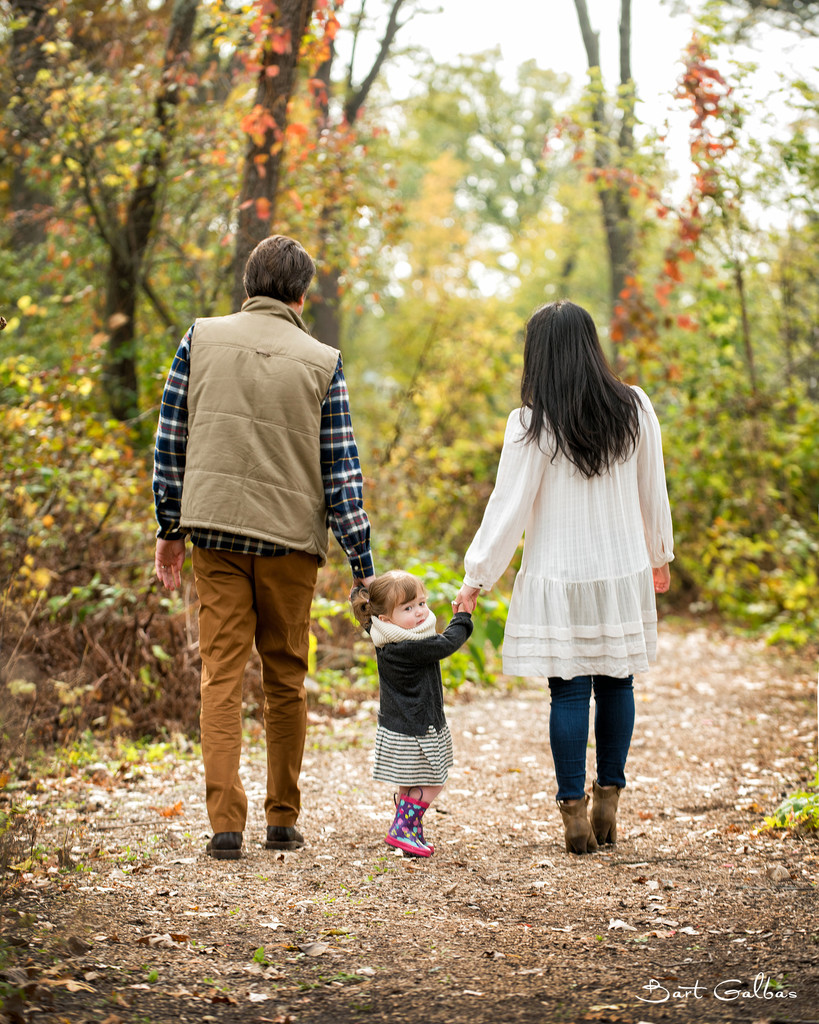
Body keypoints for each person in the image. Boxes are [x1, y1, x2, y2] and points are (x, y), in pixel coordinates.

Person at [152, 235, 375, 861]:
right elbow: (341, 474)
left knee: (219, 677)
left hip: (214, 534)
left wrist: (170, 528)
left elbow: (171, 439)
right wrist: (363, 565)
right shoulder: (322, 360)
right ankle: (283, 818)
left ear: (249, 283)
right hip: (289, 545)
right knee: (285, 677)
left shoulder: (200, 337)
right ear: (303, 295)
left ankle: (225, 824)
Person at [455, 300, 673, 855]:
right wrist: (659, 555)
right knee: (618, 682)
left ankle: (572, 811)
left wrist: (477, 577)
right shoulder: (635, 407)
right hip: (620, 569)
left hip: (560, 573)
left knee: (569, 691)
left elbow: (508, 507)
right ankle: (610, 799)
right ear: (590, 345)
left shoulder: (531, 423)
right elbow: (654, 488)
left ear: (539, 355)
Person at [350, 571, 473, 857]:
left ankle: (410, 830)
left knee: (411, 778)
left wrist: (360, 589)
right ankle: (402, 827)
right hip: (416, 727)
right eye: (407, 608)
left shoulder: (381, 633)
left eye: (421, 603)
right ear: (386, 618)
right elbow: (446, 644)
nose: (419, 612)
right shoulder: (409, 646)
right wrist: (463, 619)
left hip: (399, 725)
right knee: (434, 778)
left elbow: (365, 610)